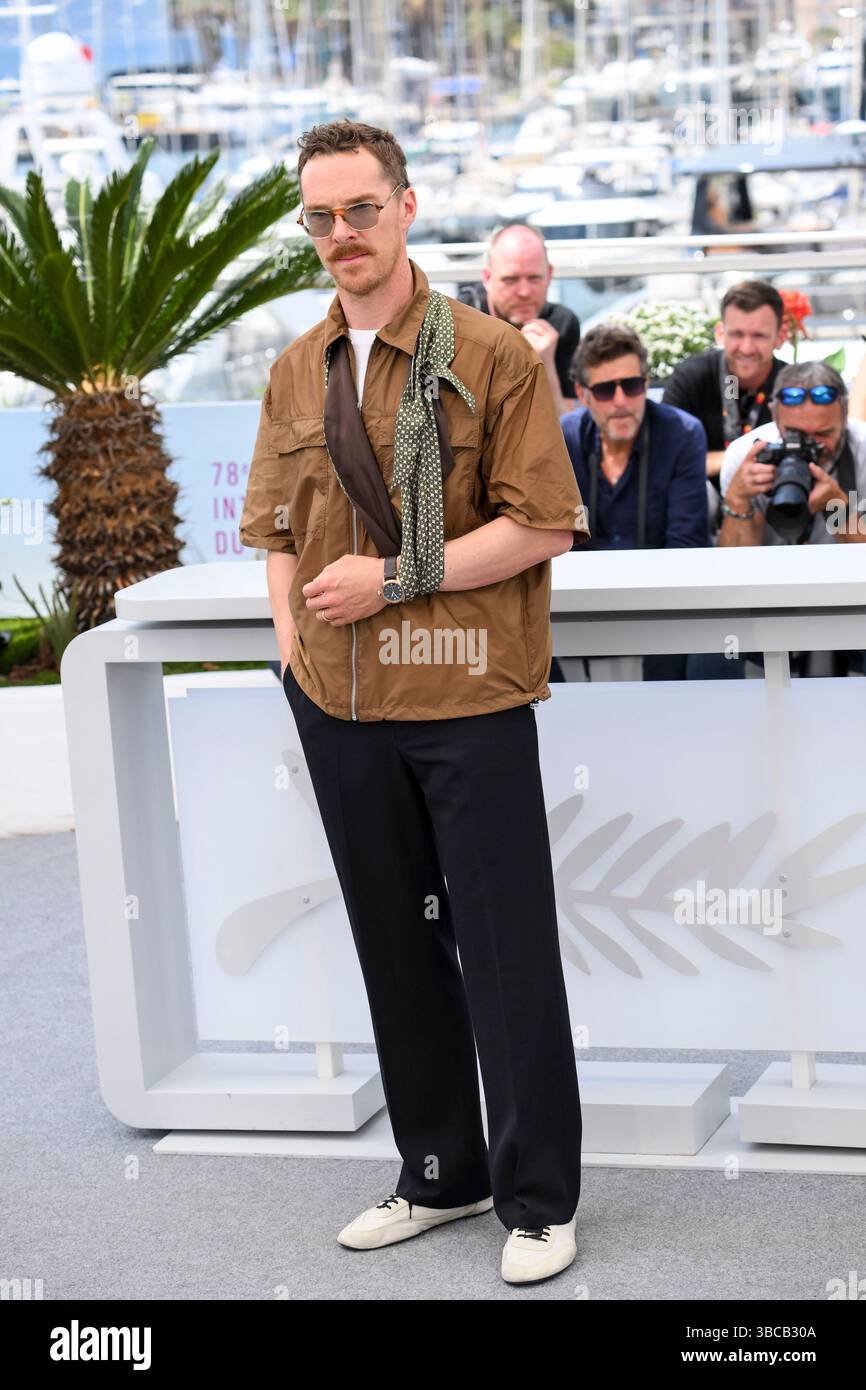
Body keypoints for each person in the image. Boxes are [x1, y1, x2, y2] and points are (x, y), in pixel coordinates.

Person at [238, 119, 590, 1285]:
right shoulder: (297, 369)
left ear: (404, 207)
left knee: (502, 948)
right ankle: (441, 1171)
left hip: (465, 693)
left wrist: (394, 577)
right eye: (320, 217)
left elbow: (540, 524)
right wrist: (291, 635)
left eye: (360, 210)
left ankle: (539, 1198)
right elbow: (276, 531)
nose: (341, 235)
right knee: (395, 944)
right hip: (336, 704)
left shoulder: (494, 356)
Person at [560, 324, 709, 681]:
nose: (621, 401)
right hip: (580, 603)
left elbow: (686, 546)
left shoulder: (683, 434)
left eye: (632, 385)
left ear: (646, 383)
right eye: (605, 390)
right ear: (583, 394)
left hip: (662, 602)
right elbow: (551, 540)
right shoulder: (563, 437)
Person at [710, 360, 866, 677]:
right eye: (794, 434)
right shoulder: (747, 454)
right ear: (775, 415)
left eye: (823, 434)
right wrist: (740, 500)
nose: (810, 447)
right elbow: (732, 576)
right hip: (768, 599)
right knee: (726, 657)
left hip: (850, 602)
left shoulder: (862, 452)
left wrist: (838, 507)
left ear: (845, 415)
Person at [662, 280, 788, 485]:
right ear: (720, 333)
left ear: (780, 336)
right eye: (737, 334)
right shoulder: (691, 378)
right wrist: (739, 458)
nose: (746, 348)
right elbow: (666, 460)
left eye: (759, 336)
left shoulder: (793, 387)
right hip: (701, 499)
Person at [456, 221, 581, 418]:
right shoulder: (460, 322)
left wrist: (544, 365)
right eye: (510, 280)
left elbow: (566, 427)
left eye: (534, 278)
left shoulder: (561, 323)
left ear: (549, 275)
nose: (524, 292)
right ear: (488, 278)